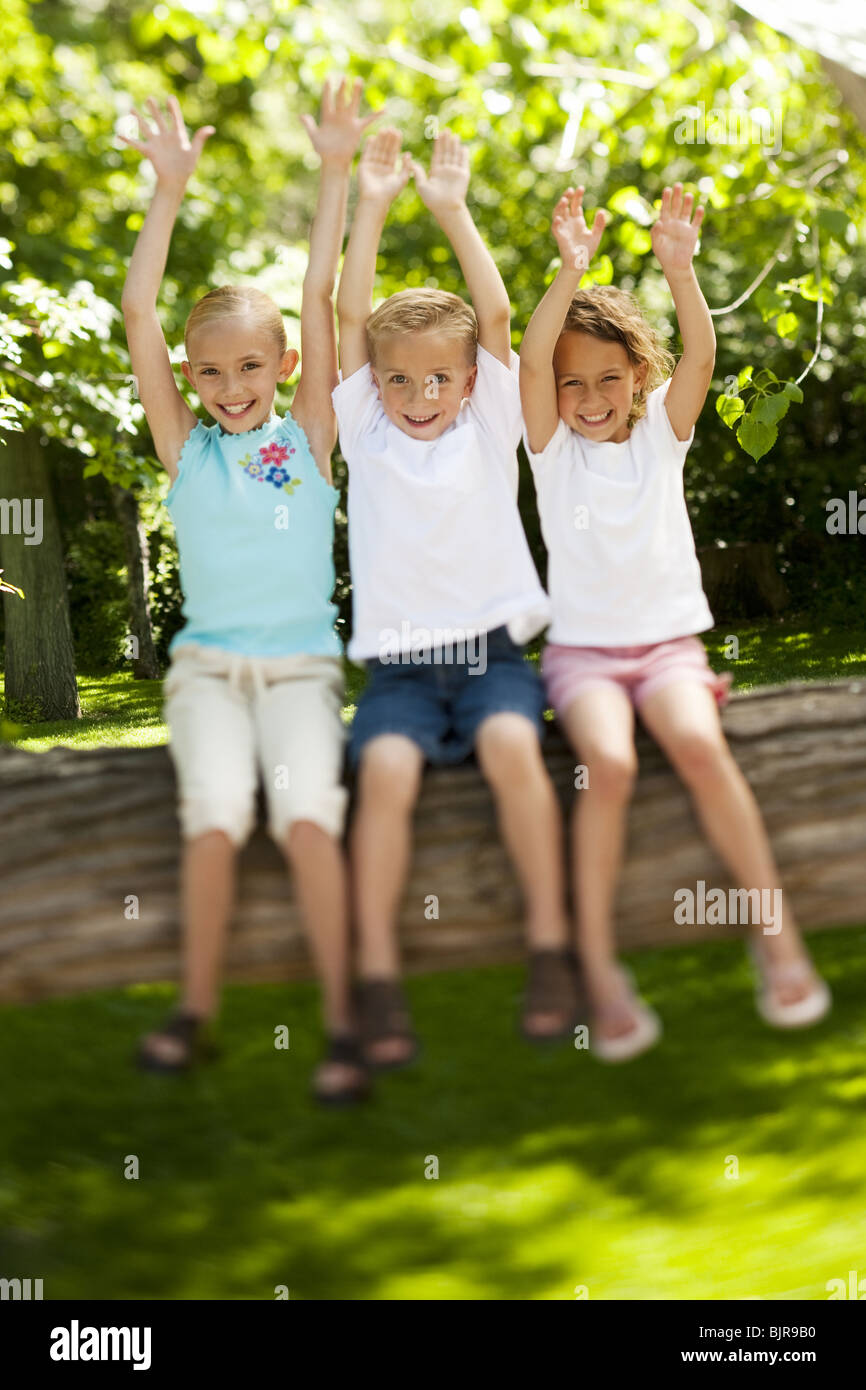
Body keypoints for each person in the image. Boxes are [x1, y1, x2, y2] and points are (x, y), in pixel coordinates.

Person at [519, 183, 831, 1062]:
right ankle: (601, 973)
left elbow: (701, 353)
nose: (588, 397)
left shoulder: (662, 432)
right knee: (608, 767)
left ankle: (778, 942)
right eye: (572, 382)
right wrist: (568, 270)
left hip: (666, 650)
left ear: (636, 380)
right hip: (582, 657)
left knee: (699, 746)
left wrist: (680, 270)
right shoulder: (548, 449)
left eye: (608, 380)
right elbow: (531, 354)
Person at [120, 82, 376, 1103]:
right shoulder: (185, 451)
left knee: (309, 817)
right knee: (218, 815)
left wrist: (332, 170)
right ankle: (193, 1012)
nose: (230, 387)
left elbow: (318, 294)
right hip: (209, 674)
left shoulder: (308, 438)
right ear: (190, 376)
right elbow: (139, 308)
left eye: (249, 368)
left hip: (303, 664)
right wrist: (166, 191)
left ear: (284, 367)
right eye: (210, 371)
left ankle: (344, 1025)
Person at [334, 127, 581, 1070]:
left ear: (472, 381)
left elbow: (496, 308)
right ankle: (381, 980)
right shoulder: (366, 428)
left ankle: (551, 951)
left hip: (492, 659)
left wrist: (450, 207)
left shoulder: (489, 424)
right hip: (399, 671)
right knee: (385, 780)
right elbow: (352, 313)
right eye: (399, 378)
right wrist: (371, 203)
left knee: (517, 750)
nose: (417, 391)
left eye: (438, 376)